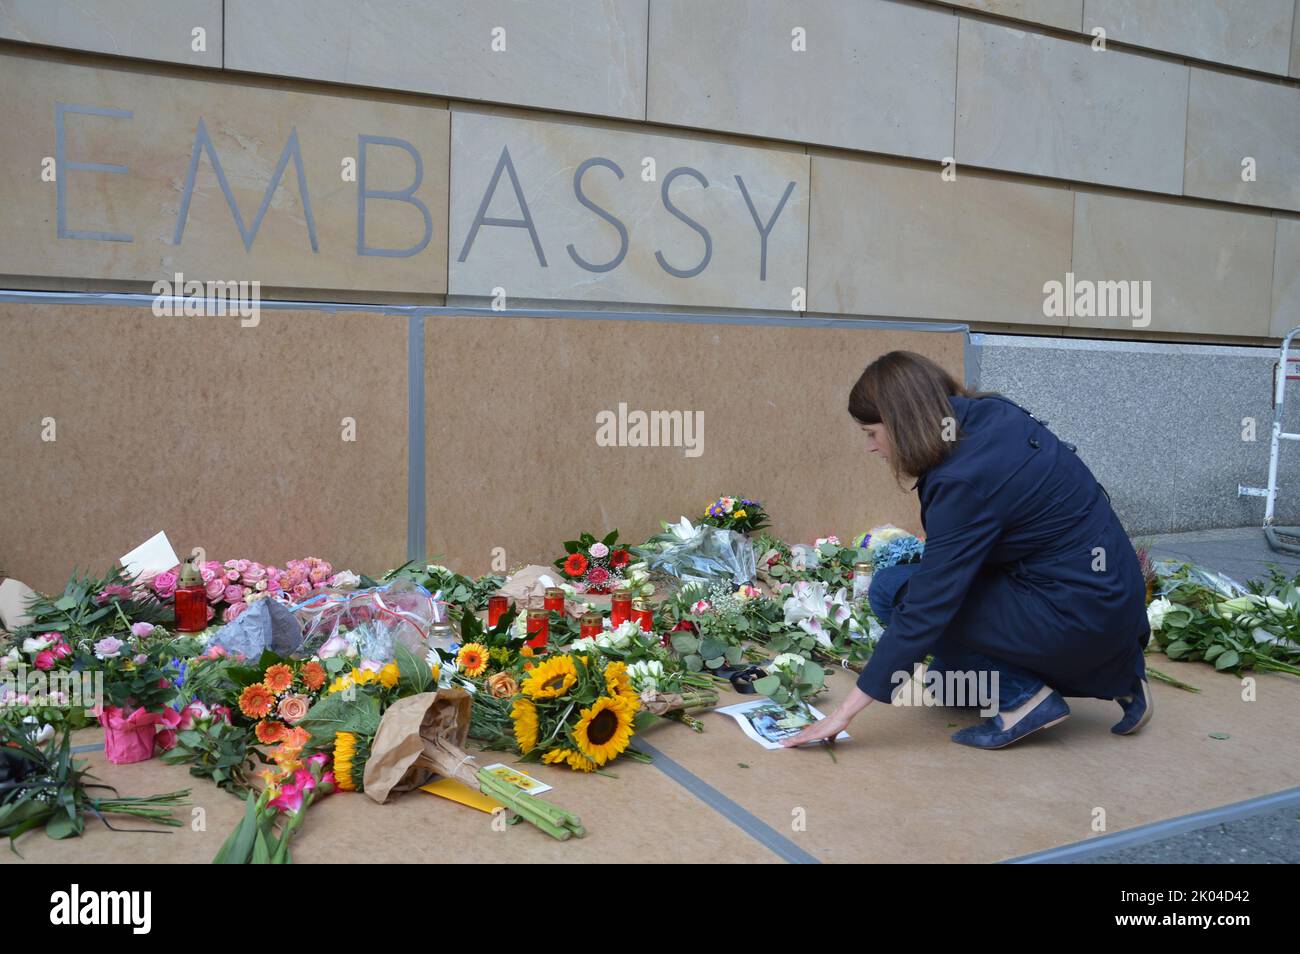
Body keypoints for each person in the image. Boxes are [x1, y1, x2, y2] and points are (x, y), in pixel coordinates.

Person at [782, 351, 1153, 750]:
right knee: (948, 682)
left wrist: (845, 712)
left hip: (1077, 616)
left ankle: (1020, 701)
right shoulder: (993, 416)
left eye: (871, 432)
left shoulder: (962, 478)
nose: (872, 447)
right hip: (1116, 610)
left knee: (892, 589)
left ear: (899, 423)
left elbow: (929, 606)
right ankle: (1127, 682)